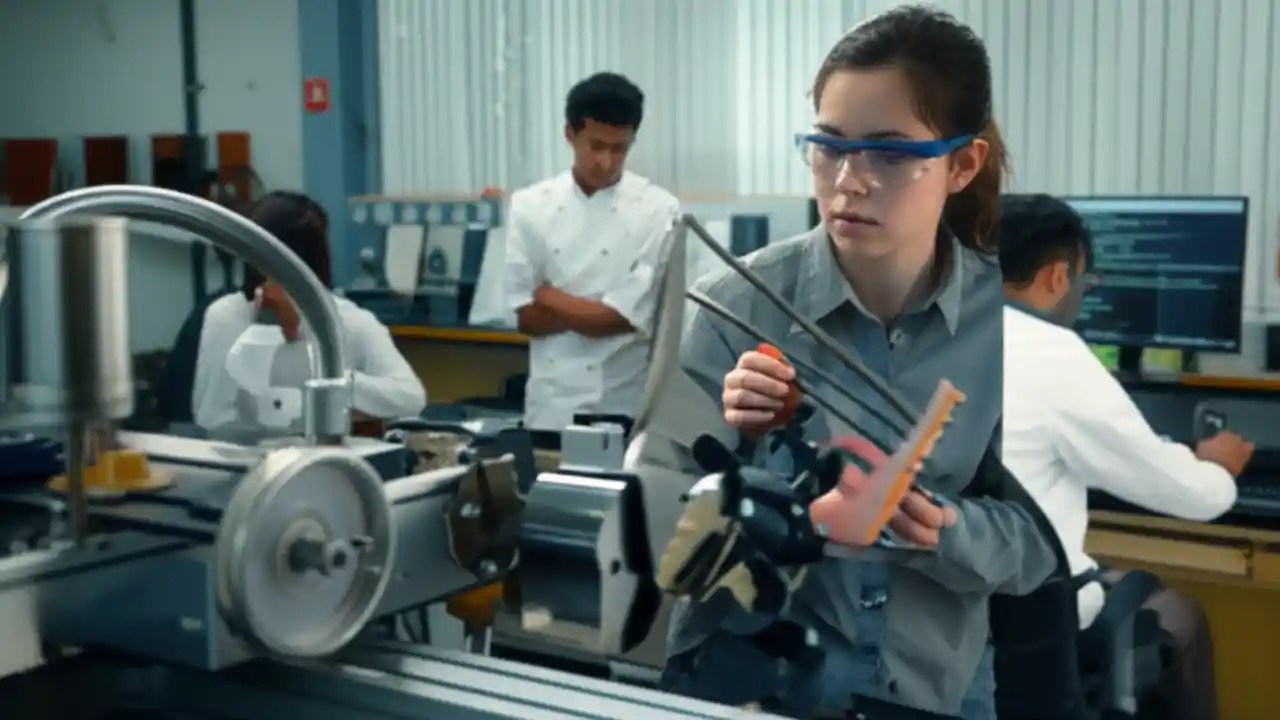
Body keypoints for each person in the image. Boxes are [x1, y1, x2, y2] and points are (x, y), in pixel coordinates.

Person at [637, 7, 1060, 719]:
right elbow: (649, 534)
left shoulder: (1011, 334)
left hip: (933, 693)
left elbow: (1039, 544)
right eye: (827, 147)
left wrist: (944, 528)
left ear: (962, 164)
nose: (849, 181)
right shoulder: (733, 304)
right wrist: (741, 455)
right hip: (757, 688)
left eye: (891, 154)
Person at [999, 193, 1254, 720]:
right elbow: (1194, 498)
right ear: (1056, 277)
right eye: (1084, 284)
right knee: (1182, 617)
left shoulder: (933, 334)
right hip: (1028, 627)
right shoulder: (1053, 352)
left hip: (950, 617)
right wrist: (1219, 469)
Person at [503, 71, 680, 444]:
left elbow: (618, 319)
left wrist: (547, 294)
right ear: (570, 134)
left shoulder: (658, 210)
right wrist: (588, 312)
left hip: (624, 407)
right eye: (596, 146)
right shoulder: (529, 206)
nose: (607, 161)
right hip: (549, 409)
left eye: (620, 148)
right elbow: (527, 319)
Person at [192, 191, 427, 435]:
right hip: (250, 464)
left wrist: (325, 377)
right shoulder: (228, 317)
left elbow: (410, 397)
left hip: (324, 464)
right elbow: (213, 419)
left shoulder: (349, 321)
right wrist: (269, 332)